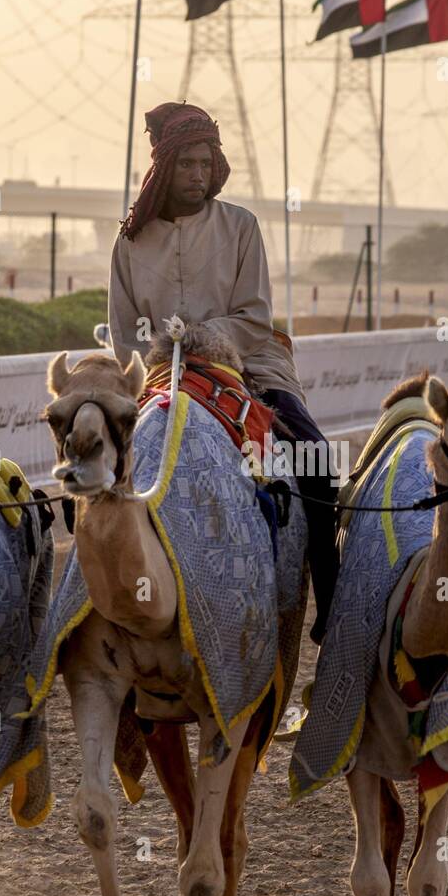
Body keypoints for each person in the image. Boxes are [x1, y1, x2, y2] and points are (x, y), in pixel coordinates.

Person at [108, 100, 338, 643]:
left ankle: (329, 598)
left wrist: (209, 344)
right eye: (186, 164)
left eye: (205, 163)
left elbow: (256, 316)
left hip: (250, 364)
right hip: (163, 374)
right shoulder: (130, 240)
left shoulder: (240, 226)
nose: (198, 175)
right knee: (101, 464)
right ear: (164, 167)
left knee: (314, 456)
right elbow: (125, 333)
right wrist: (163, 360)